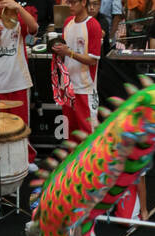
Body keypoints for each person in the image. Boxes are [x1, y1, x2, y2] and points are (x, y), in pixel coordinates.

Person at [0, 0, 39, 164]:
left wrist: (19, 8)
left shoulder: (20, 19)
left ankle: (26, 160)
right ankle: (2, 162)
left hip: (19, 82)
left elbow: (34, 28)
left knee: (21, 127)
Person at [52, 0, 102, 140]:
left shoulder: (93, 25)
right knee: (70, 135)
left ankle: (89, 162)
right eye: (68, 2)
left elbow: (93, 60)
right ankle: (71, 162)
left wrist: (69, 53)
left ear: (84, 2)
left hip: (85, 89)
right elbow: (65, 51)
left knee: (89, 136)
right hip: (67, 88)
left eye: (73, 2)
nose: (69, 6)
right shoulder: (68, 21)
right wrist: (58, 50)